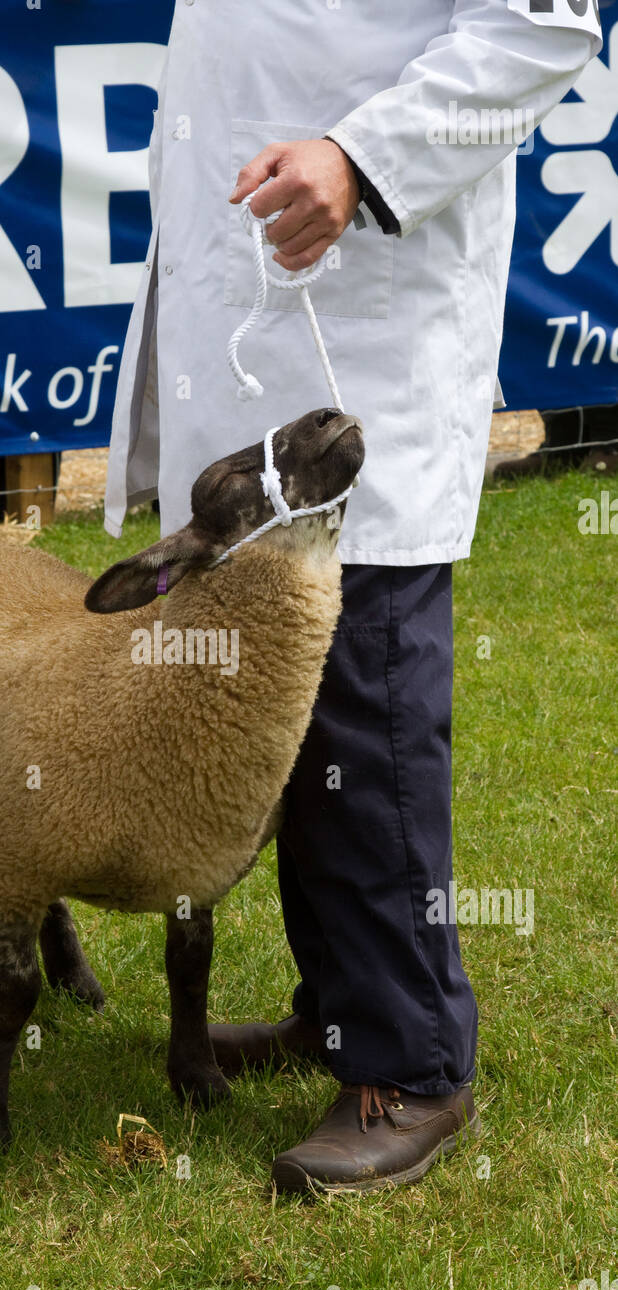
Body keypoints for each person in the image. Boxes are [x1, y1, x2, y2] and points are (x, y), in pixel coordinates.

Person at [104, 1, 601, 1192]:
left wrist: (358, 158)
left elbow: (541, 27)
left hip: (360, 320)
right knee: (290, 718)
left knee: (360, 714)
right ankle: (335, 1013)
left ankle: (409, 1063)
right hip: (268, 314)